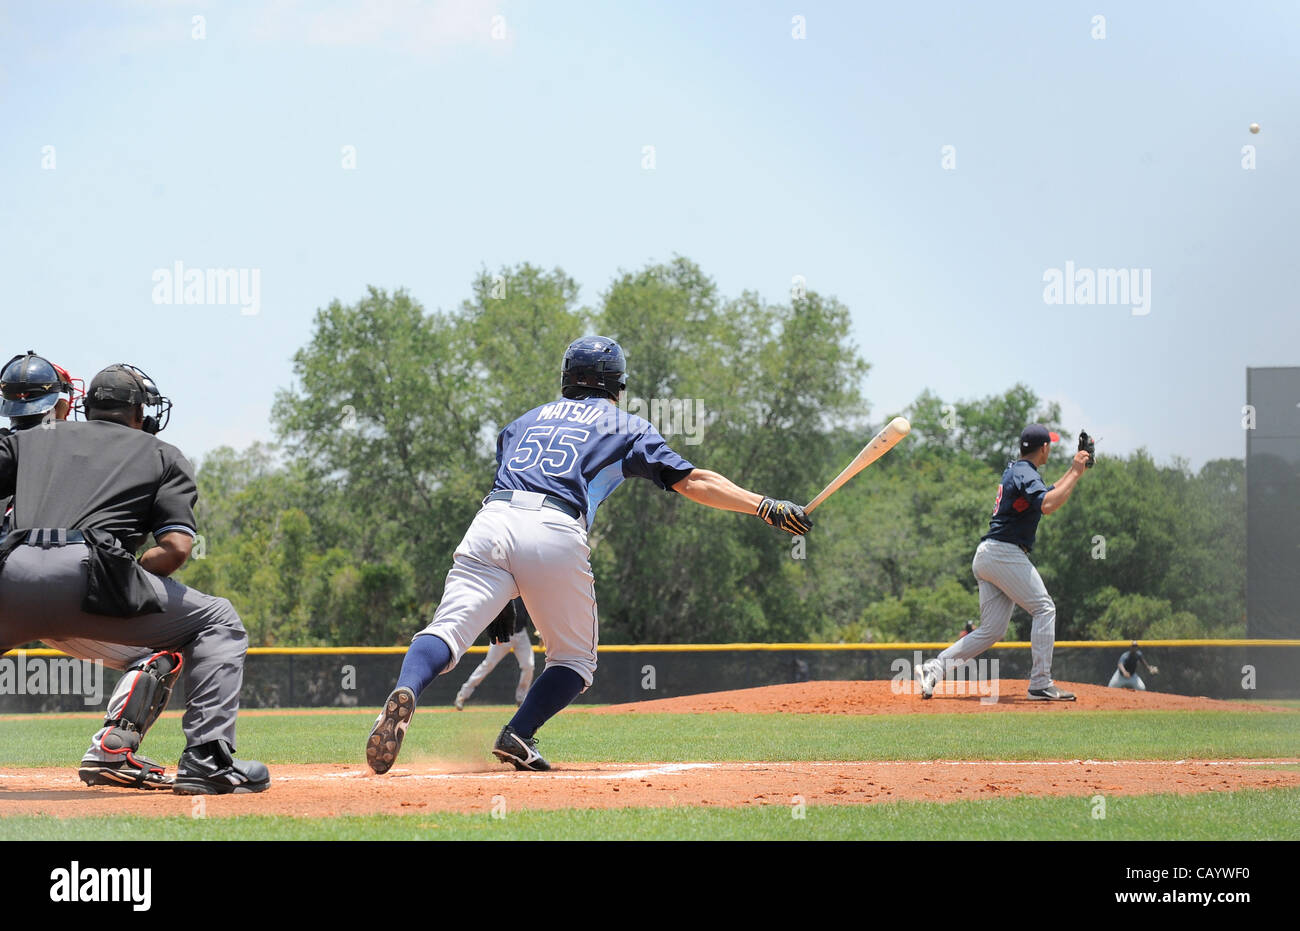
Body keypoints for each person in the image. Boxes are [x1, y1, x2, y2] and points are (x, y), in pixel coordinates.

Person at [366, 335, 812, 773]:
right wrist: (764, 506)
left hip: (491, 521)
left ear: (567, 379)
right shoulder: (626, 426)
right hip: (554, 527)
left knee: (445, 631)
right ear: (617, 384)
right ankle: (518, 734)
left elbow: (510, 490)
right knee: (574, 661)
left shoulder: (522, 422)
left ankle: (408, 690)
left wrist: (504, 597)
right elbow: (691, 480)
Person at [0, 363, 269, 794]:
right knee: (218, 620)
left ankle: (117, 749)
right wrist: (130, 580)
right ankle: (206, 760)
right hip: (92, 577)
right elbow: (176, 549)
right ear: (140, 413)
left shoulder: (33, 439)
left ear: (86, 408)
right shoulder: (163, 454)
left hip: (10, 575)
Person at [915, 424, 1093, 701]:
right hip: (1003, 553)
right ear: (1044, 447)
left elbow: (1047, 496)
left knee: (992, 629)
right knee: (1044, 608)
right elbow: (1048, 505)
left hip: (989, 555)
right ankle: (1040, 683)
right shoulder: (1025, 472)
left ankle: (936, 667)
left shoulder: (1019, 470)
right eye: (1050, 445)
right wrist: (1075, 472)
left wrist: (1074, 472)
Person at [454, 597, 536, 710]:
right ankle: (462, 695)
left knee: (529, 665)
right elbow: (492, 610)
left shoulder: (525, 594)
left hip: (521, 634)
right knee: (488, 665)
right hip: (503, 633)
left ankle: (521, 698)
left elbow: (535, 612)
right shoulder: (506, 591)